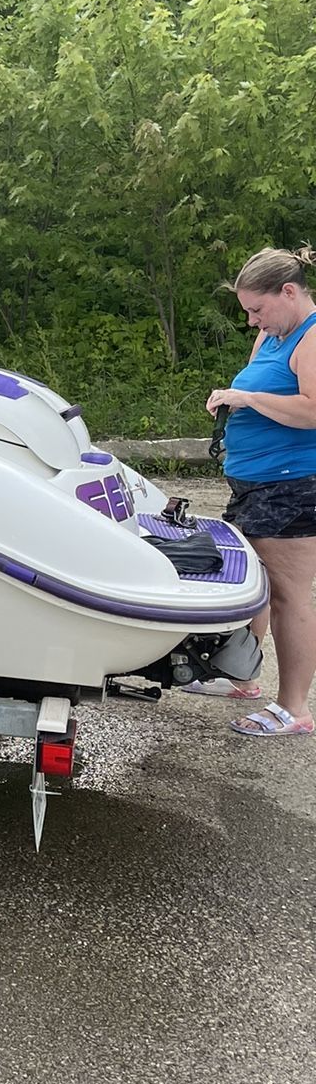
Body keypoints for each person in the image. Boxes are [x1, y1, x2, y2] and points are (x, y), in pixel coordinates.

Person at [205, 244, 316, 737]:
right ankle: (243, 675)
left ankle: (293, 708)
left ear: (288, 292)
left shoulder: (311, 338)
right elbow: (265, 394)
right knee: (254, 583)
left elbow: (313, 411)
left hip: (293, 484)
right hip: (253, 481)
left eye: (257, 309)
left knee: (291, 595)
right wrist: (231, 402)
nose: (253, 321)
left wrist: (246, 397)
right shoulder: (274, 335)